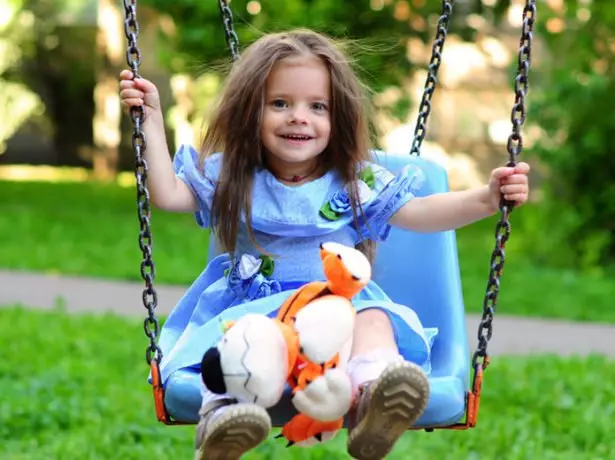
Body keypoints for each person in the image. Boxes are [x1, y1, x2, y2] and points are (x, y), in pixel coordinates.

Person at [119, 29, 530, 460]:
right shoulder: (233, 175)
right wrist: (148, 119)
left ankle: (377, 396)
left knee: (374, 317)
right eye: (280, 104)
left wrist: (486, 199)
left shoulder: (355, 180)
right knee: (245, 341)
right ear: (248, 112)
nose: (299, 117)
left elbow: (422, 213)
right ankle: (226, 417)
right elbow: (167, 195)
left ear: (339, 119)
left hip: (337, 313)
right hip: (258, 309)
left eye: (318, 107)